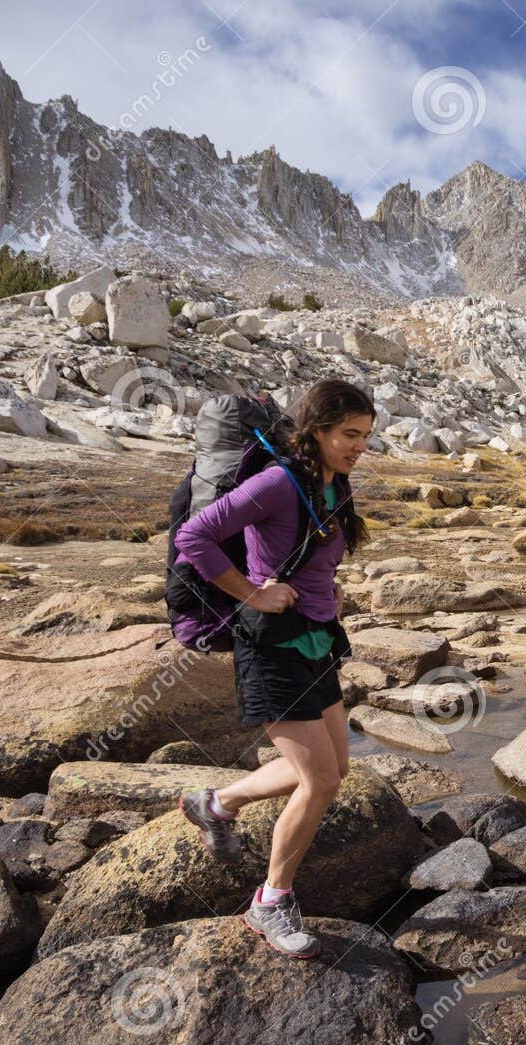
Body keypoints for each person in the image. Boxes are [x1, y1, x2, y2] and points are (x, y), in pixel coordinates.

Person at [172, 378, 374, 958]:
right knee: (321, 781)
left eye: (365, 436)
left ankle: (215, 804)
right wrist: (250, 593)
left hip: (315, 642)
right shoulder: (279, 483)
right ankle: (270, 902)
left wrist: (327, 595)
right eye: (348, 434)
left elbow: (313, 559)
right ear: (316, 430)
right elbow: (196, 535)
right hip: (271, 648)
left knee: (332, 767)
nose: (358, 446)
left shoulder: (334, 487)